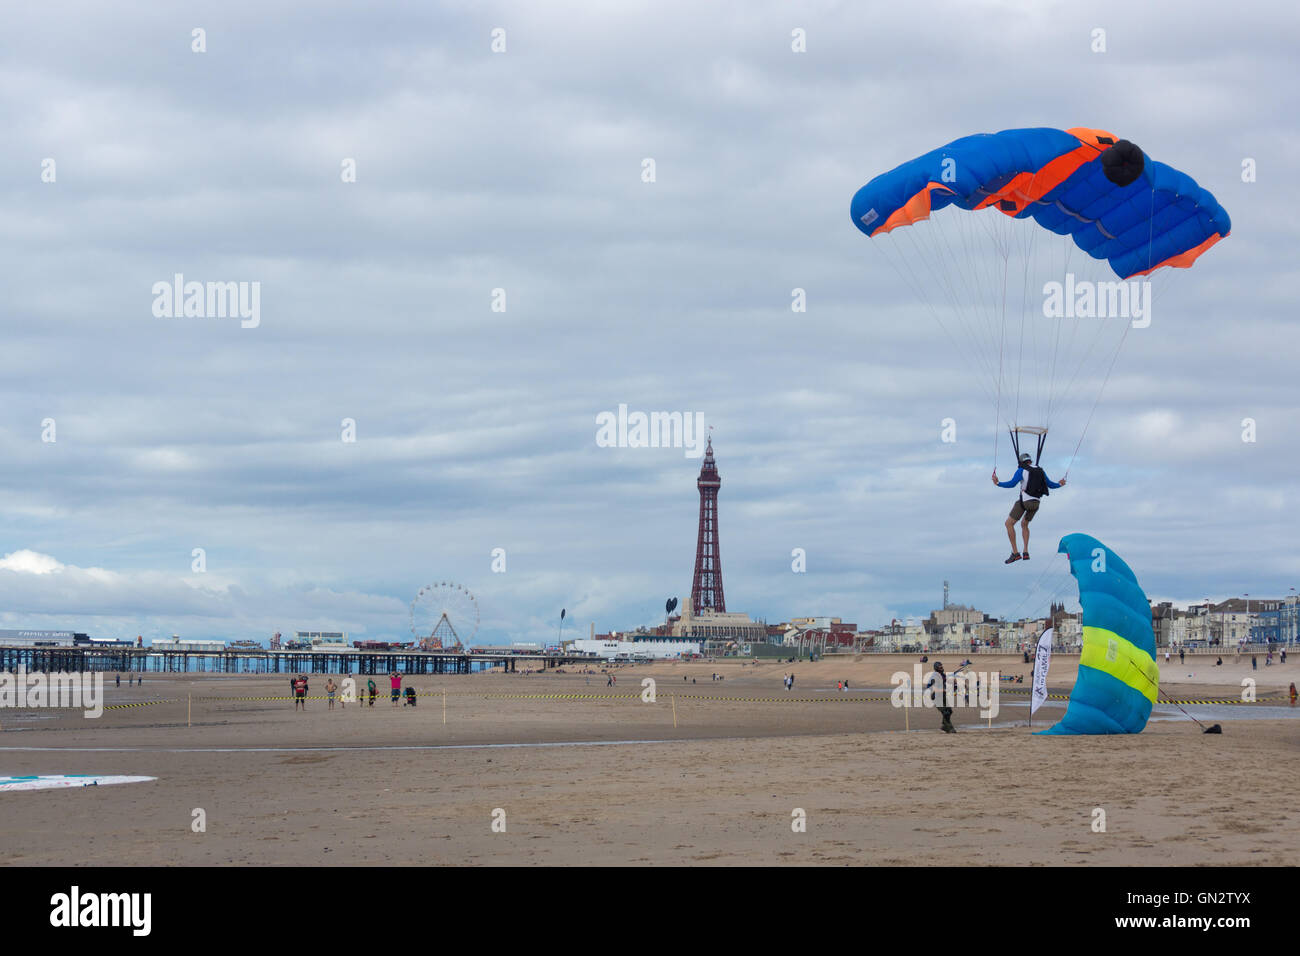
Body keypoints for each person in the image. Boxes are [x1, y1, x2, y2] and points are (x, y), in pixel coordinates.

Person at [992, 452, 1064, 563]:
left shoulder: (1021, 470)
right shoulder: (1040, 470)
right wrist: (1060, 484)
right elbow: (1050, 485)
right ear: (1030, 461)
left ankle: (1015, 553)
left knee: (1008, 524)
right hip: (1036, 503)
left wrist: (998, 483)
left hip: (1025, 502)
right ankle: (1026, 551)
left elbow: (1012, 484)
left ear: (1021, 462)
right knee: (1024, 524)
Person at [927, 661, 955, 733]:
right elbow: (935, 689)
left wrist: (953, 681)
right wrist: (944, 690)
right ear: (936, 668)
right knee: (945, 712)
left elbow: (947, 681)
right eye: (940, 667)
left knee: (949, 711)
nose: (942, 667)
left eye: (942, 666)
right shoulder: (934, 677)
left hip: (943, 695)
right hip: (936, 696)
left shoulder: (942, 675)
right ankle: (949, 728)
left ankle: (944, 726)